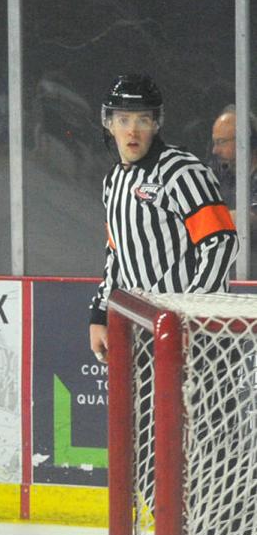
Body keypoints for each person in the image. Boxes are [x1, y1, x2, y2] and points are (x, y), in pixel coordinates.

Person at [88, 74, 237, 362]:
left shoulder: (182, 172)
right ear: (108, 123)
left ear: (156, 124)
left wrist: (191, 315)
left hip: (196, 338)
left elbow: (221, 242)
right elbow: (116, 254)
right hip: (141, 332)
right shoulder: (113, 181)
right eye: (124, 120)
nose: (133, 131)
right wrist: (100, 313)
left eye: (142, 120)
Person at [208, 104, 257, 226]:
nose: (215, 150)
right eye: (215, 143)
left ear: (245, 140)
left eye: (221, 142)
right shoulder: (222, 174)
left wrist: (203, 220)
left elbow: (251, 219)